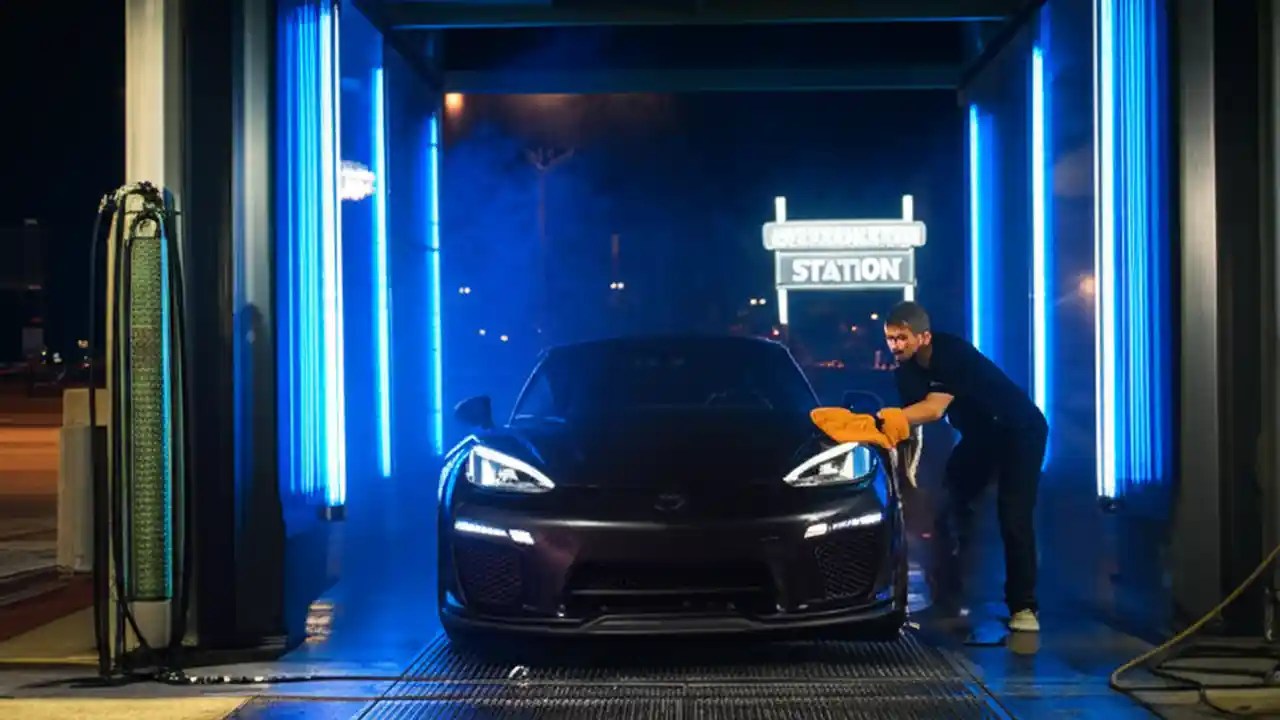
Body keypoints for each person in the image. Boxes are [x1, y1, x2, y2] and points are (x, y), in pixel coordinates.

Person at [876, 301, 1047, 633]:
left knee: (1014, 515)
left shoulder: (951, 353)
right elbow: (912, 427)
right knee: (947, 507)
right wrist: (911, 480)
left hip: (1019, 431)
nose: (895, 346)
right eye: (890, 338)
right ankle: (947, 598)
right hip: (979, 435)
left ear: (923, 337)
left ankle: (1024, 607)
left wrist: (884, 419)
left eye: (902, 338)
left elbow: (933, 410)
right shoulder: (906, 371)